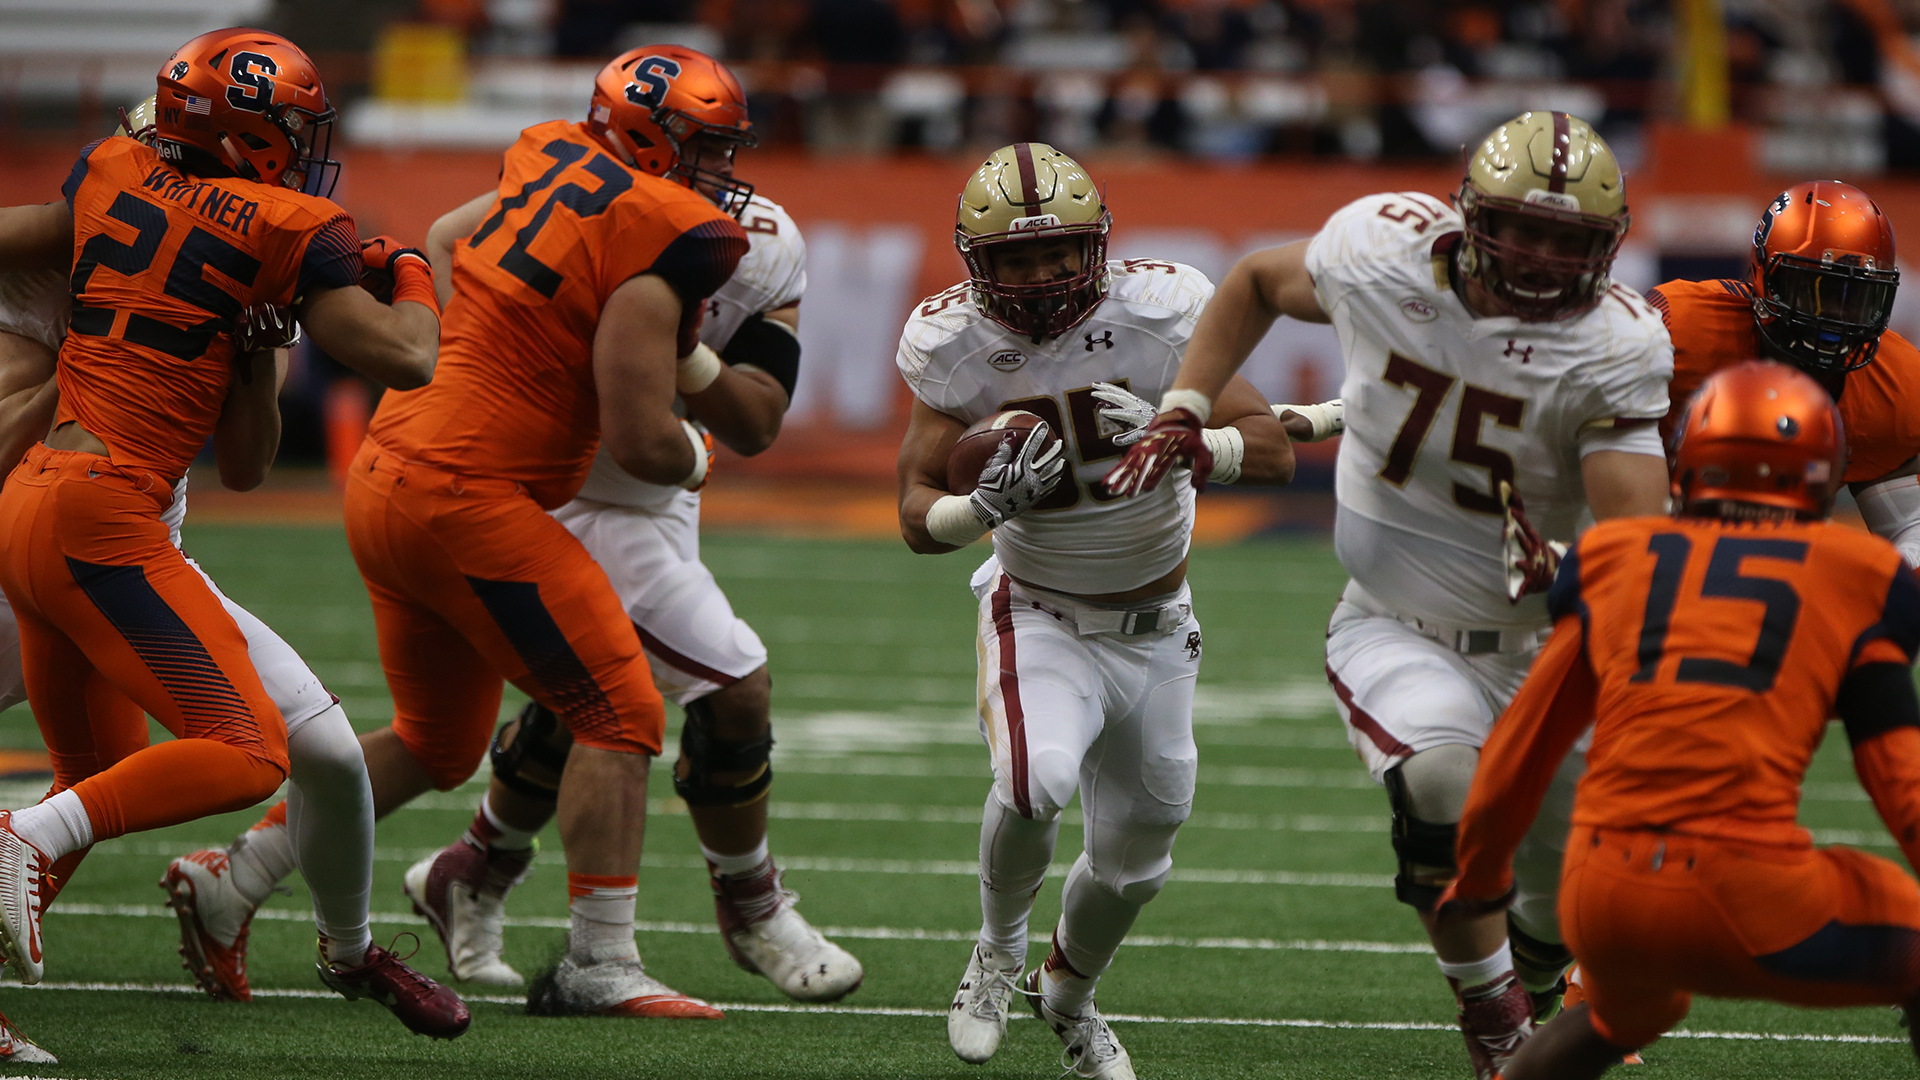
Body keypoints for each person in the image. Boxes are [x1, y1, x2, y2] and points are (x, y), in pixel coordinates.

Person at [1105, 111, 1673, 1078]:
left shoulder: (1617, 343)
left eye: (1564, 240)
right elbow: (1251, 282)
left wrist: (1578, 570)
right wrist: (1185, 406)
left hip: (1548, 653)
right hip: (1395, 624)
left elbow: (1639, 541)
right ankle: (1493, 1027)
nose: (1538, 257)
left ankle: (1525, 988)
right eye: (1521, 230)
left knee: (1557, 903)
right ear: (1468, 217)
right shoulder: (1384, 252)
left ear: (1603, 251)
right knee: (1441, 794)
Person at [190, 44, 751, 1019]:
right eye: (702, 147)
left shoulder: (548, 153)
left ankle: (232, 878)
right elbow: (641, 437)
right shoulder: (663, 224)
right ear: (649, 139)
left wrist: (493, 345)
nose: (716, 169)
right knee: (620, 711)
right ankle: (600, 964)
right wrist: (701, 457)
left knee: (438, 741)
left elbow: (449, 235)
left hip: (393, 466)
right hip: (466, 493)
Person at [0, 29, 465, 1055]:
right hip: (99, 520)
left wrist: (261, 352)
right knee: (246, 751)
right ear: (248, 131)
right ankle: (19, 835)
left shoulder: (112, 170)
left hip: (46, 509)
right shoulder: (289, 222)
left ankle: (343, 950)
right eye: (290, 128)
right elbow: (409, 356)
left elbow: (249, 463)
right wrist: (418, 271)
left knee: (120, 764)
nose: (303, 147)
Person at [377, 159, 861, 998]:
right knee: (731, 681)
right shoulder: (579, 198)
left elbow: (756, 421)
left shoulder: (767, 241)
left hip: (660, 496)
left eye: (714, 149)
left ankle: (474, 865)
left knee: (593, 690)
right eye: (680, 147)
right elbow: (450, 239)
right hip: (563, 488)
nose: (699, 169)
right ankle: (751, 904)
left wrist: (686, 362)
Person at [897, 142, 1300, 1080]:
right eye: (1016, 259)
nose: (1039, 279)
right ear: (975, 262)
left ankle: (1069, 990)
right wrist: (979, 510)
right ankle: (997, 952)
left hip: (1158, 624)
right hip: (1035, 607)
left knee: (1136, 867)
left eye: (1057, 254)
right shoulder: (952, 340)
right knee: (1034, 781)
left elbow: (1273, 451)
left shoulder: (1159, 315)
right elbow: (917, 516)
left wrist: (1183, 439)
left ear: (1099, 248)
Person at [1440, 359, 1920, 1079]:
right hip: (1747, 891)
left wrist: (1475, 880)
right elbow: (1898, 777)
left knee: (1621, 1015)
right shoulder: (1857, 572)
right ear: (1823, 469)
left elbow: (1522, 745)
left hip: (1602, 896)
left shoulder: (1615, 558)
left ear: (1689, 461)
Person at [1647, 181, 1920, 568]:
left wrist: (1870, 586)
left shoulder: (1896, 384)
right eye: (1816, 291)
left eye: (1855, 298)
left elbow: (1912, 525)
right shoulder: (1680, 331)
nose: (1833, 318)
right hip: (1661, 540)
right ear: (1764, 278)